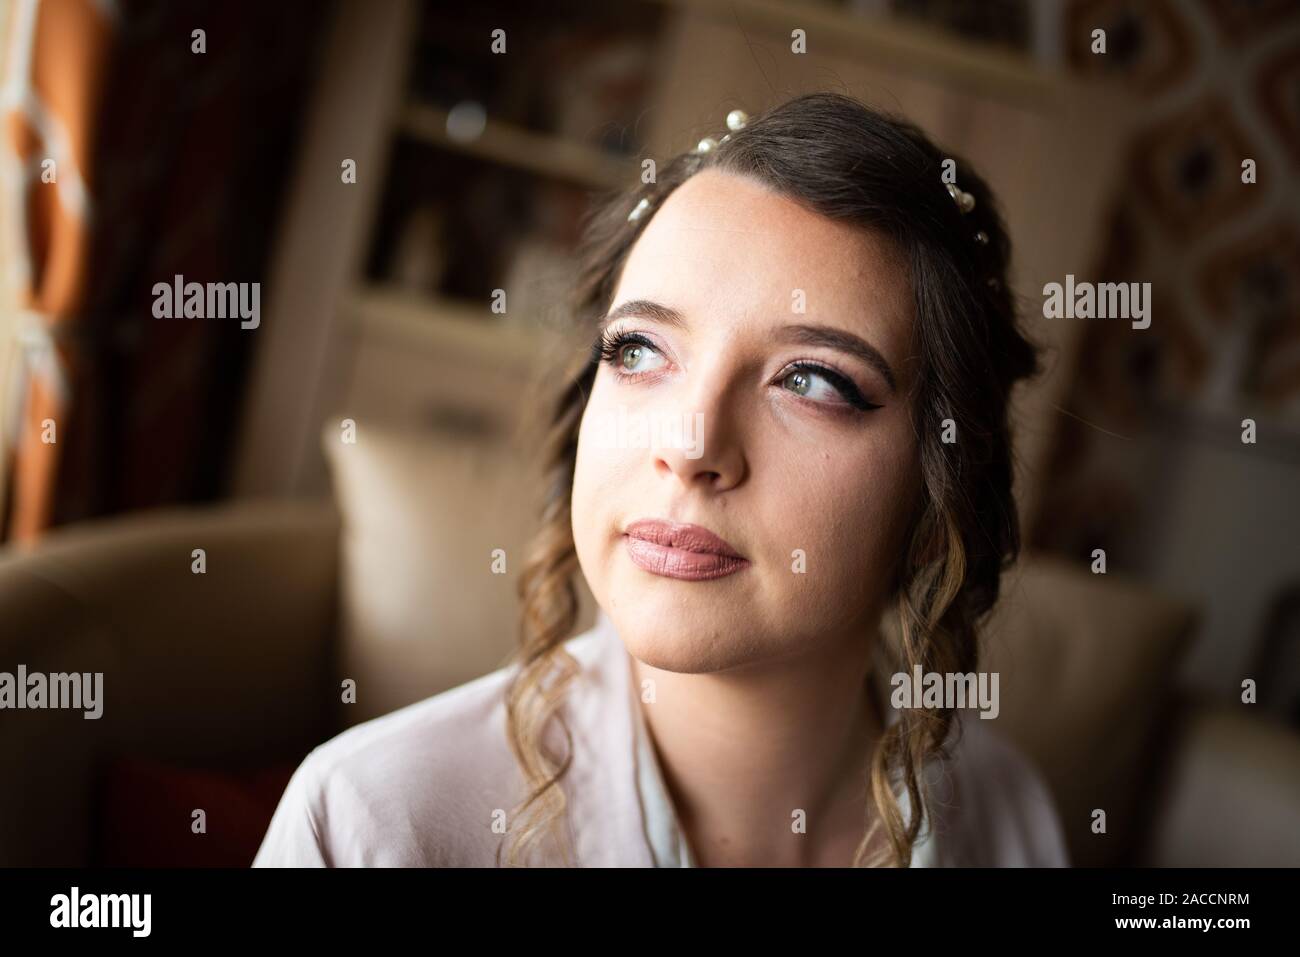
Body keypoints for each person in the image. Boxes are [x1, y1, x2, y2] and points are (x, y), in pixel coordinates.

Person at [254, 92, 1069, 868]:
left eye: (812, 379)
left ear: (941, 484)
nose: (690, 444)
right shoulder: (371, 823)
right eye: (639, 350)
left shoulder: (1011, 821)